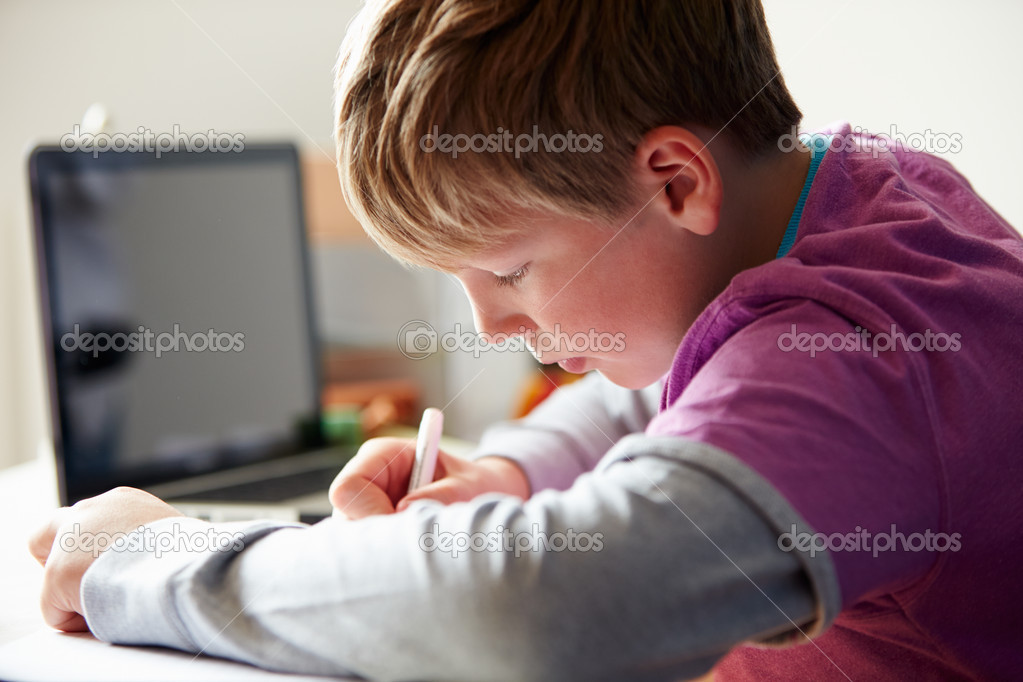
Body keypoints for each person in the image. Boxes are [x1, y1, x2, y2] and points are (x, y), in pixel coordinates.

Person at [29, 1, 1023, 679]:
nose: (490, 325)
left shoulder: (859, 349)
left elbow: (541, 612)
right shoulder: (852, 200)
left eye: (508, 272)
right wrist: (507, 475)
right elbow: (666, 382)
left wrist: (153, 557)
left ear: (676, 181)